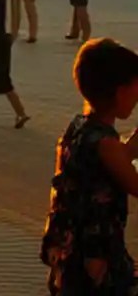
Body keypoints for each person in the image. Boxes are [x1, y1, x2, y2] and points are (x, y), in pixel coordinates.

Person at [41, 39, 138, 295]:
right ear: (120, 92)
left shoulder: (79, 127)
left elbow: (120, 157)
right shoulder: (106, 144)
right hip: (95, 259)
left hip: (70, 252)